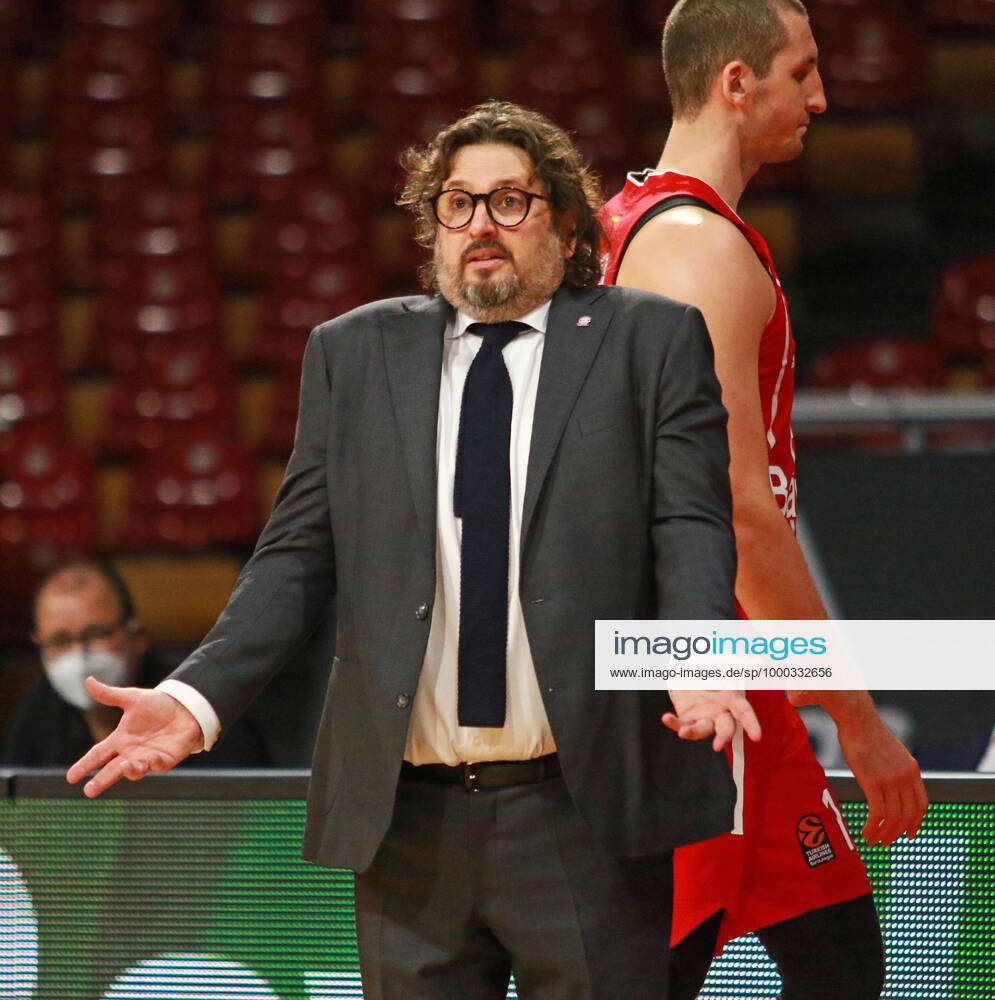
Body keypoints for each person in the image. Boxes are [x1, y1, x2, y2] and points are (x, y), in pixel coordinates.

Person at [67, 101, 760, 999]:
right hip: (406, 824)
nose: (481, 225)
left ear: (562, 215)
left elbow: (690, 523)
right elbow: (294, 557)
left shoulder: (647, 340)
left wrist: (696, 654)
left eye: (510, 201)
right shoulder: (353, 355)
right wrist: (195, 699)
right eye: (457, 203)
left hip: (581, 812)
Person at [600, 3, 928, 998]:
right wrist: (858, 718)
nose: (821, 97)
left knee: (838, 965)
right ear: (734, 83)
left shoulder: (640, 218)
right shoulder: (696, 246)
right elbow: (738, 508)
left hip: (734, 664)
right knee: (656, 970)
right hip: (702, 669)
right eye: (801, 72)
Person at [3, 559, 270, 768]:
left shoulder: (193, 703)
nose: (78, 654)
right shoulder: (37, 708)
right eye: (60, 640)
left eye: (95, 634)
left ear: (137, 635)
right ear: (38, 643)